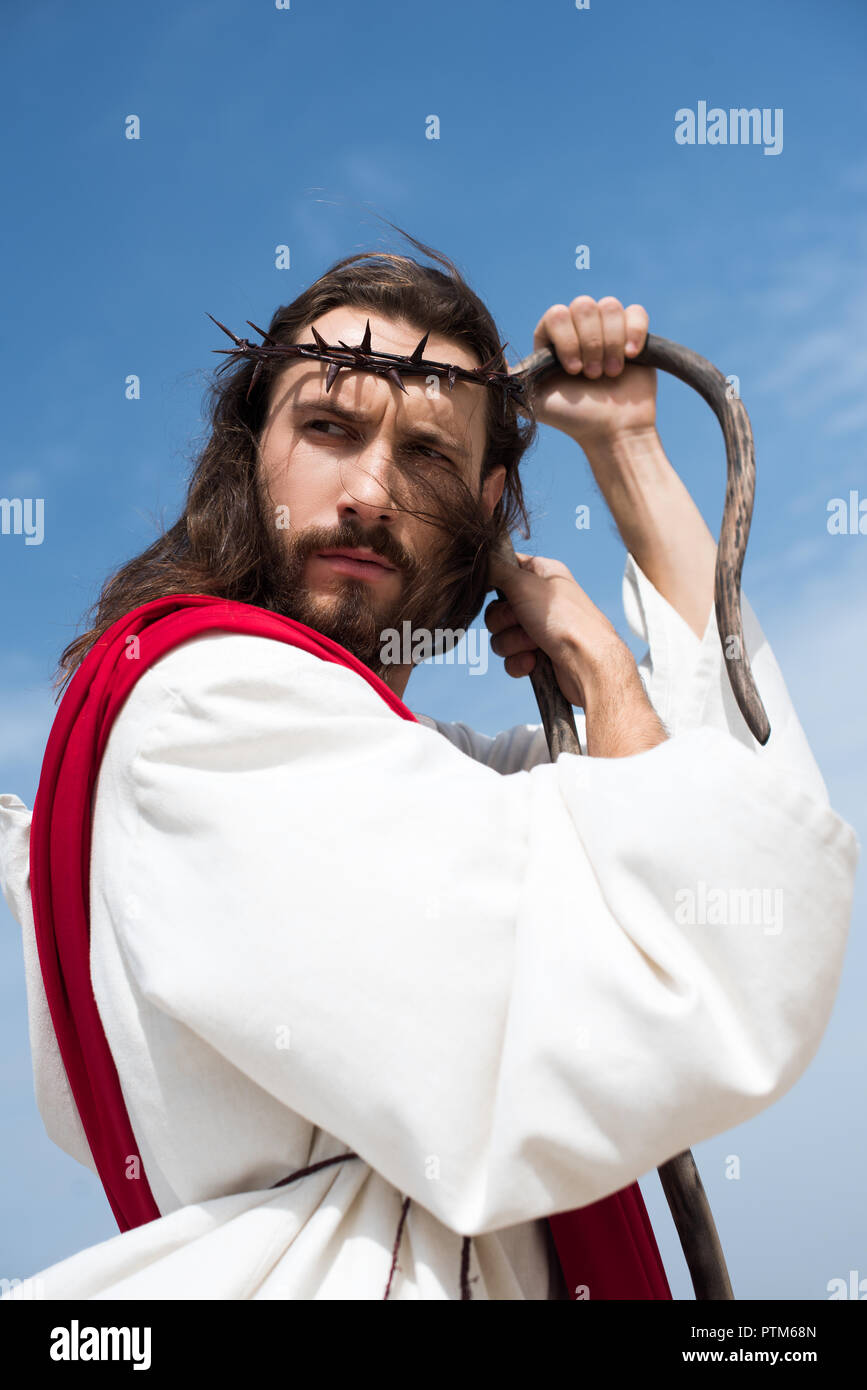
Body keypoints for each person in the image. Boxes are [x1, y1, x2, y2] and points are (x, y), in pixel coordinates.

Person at [0, 233, 858, 1300]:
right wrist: (606, 675)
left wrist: (629, 451)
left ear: (484, 511)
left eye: (429, 457)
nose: (369, 490)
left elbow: (743, 829)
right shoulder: (209, 708)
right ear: (248, 453)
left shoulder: (415, 773)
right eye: (329, 427)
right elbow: (694, 971)